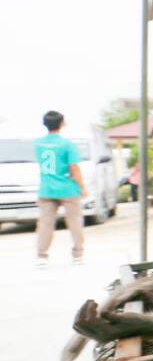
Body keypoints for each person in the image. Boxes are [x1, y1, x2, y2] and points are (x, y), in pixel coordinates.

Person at [34, 110, 86, 267]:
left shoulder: (38, 144)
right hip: (67, 188)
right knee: (74, 221)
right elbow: (74, 168)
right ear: (62, 123)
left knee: (45, 224)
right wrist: (82, 187)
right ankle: (78, 255)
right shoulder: (67, 145)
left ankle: (42, 256)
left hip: (46, 189)